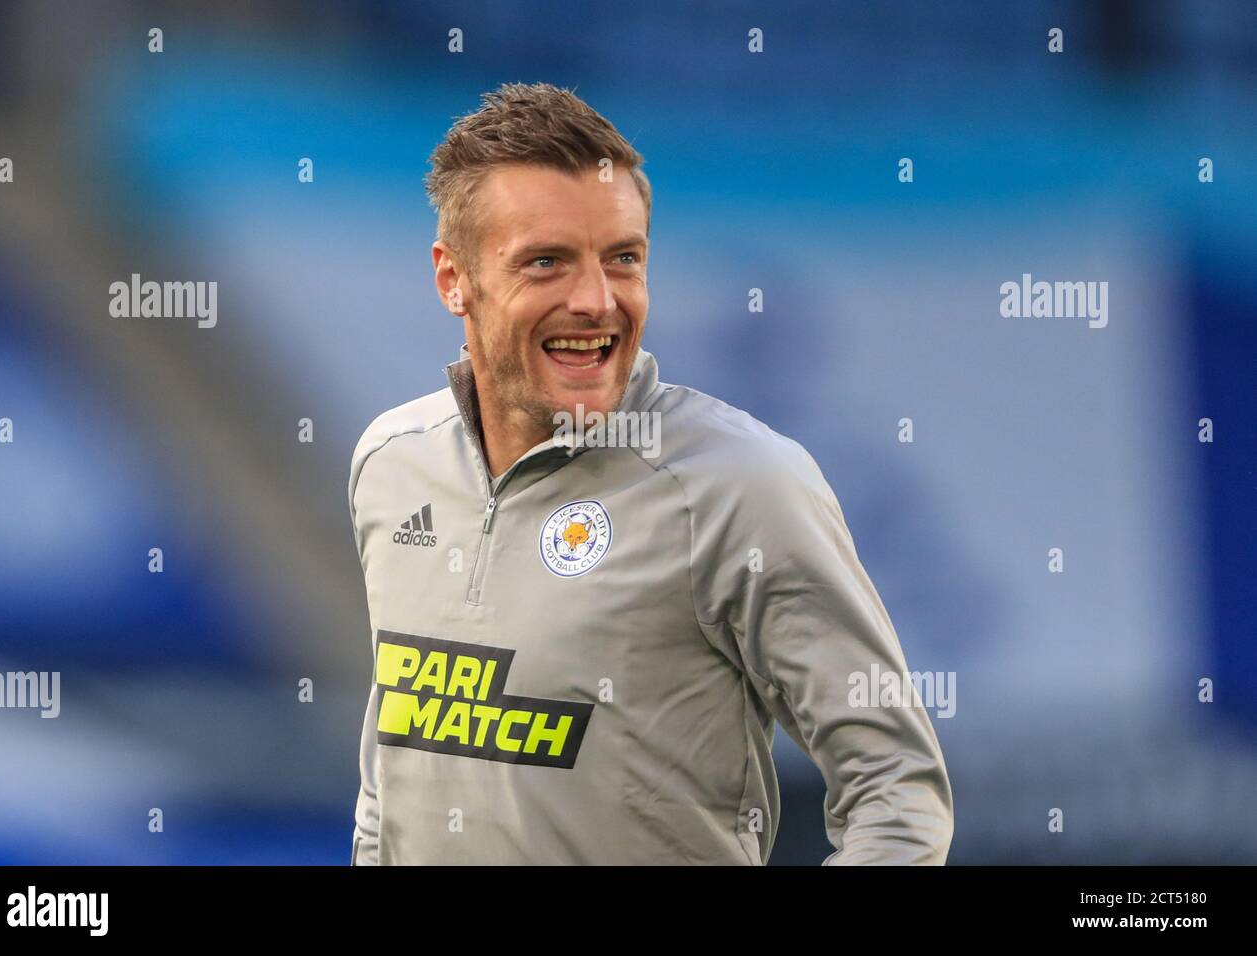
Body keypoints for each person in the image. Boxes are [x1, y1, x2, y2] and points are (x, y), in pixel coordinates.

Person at [348, 81, 953, 864]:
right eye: (547, 263)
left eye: (623, 259)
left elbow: (897, 791)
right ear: (453, 278)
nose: (596, 301)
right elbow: (392, 775)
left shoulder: (742, 483)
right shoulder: (392, 460)